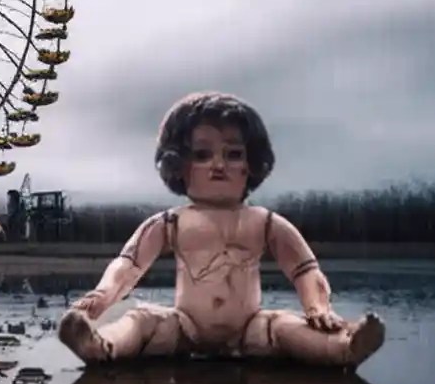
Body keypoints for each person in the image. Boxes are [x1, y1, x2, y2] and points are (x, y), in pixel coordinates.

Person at [58, 92, 385, 368]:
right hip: (184, 327)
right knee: (141, 320)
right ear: (178, 165)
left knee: (283, 327)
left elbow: (304, 269)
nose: (218, 164)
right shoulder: (170, 222)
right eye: (202, 154)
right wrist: (101, 296)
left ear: (251, 164)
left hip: (251, 328)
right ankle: (100, 345)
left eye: (233, 154)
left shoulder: (265, 222)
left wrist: (317, 307)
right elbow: (128, 266)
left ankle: (344, 347)